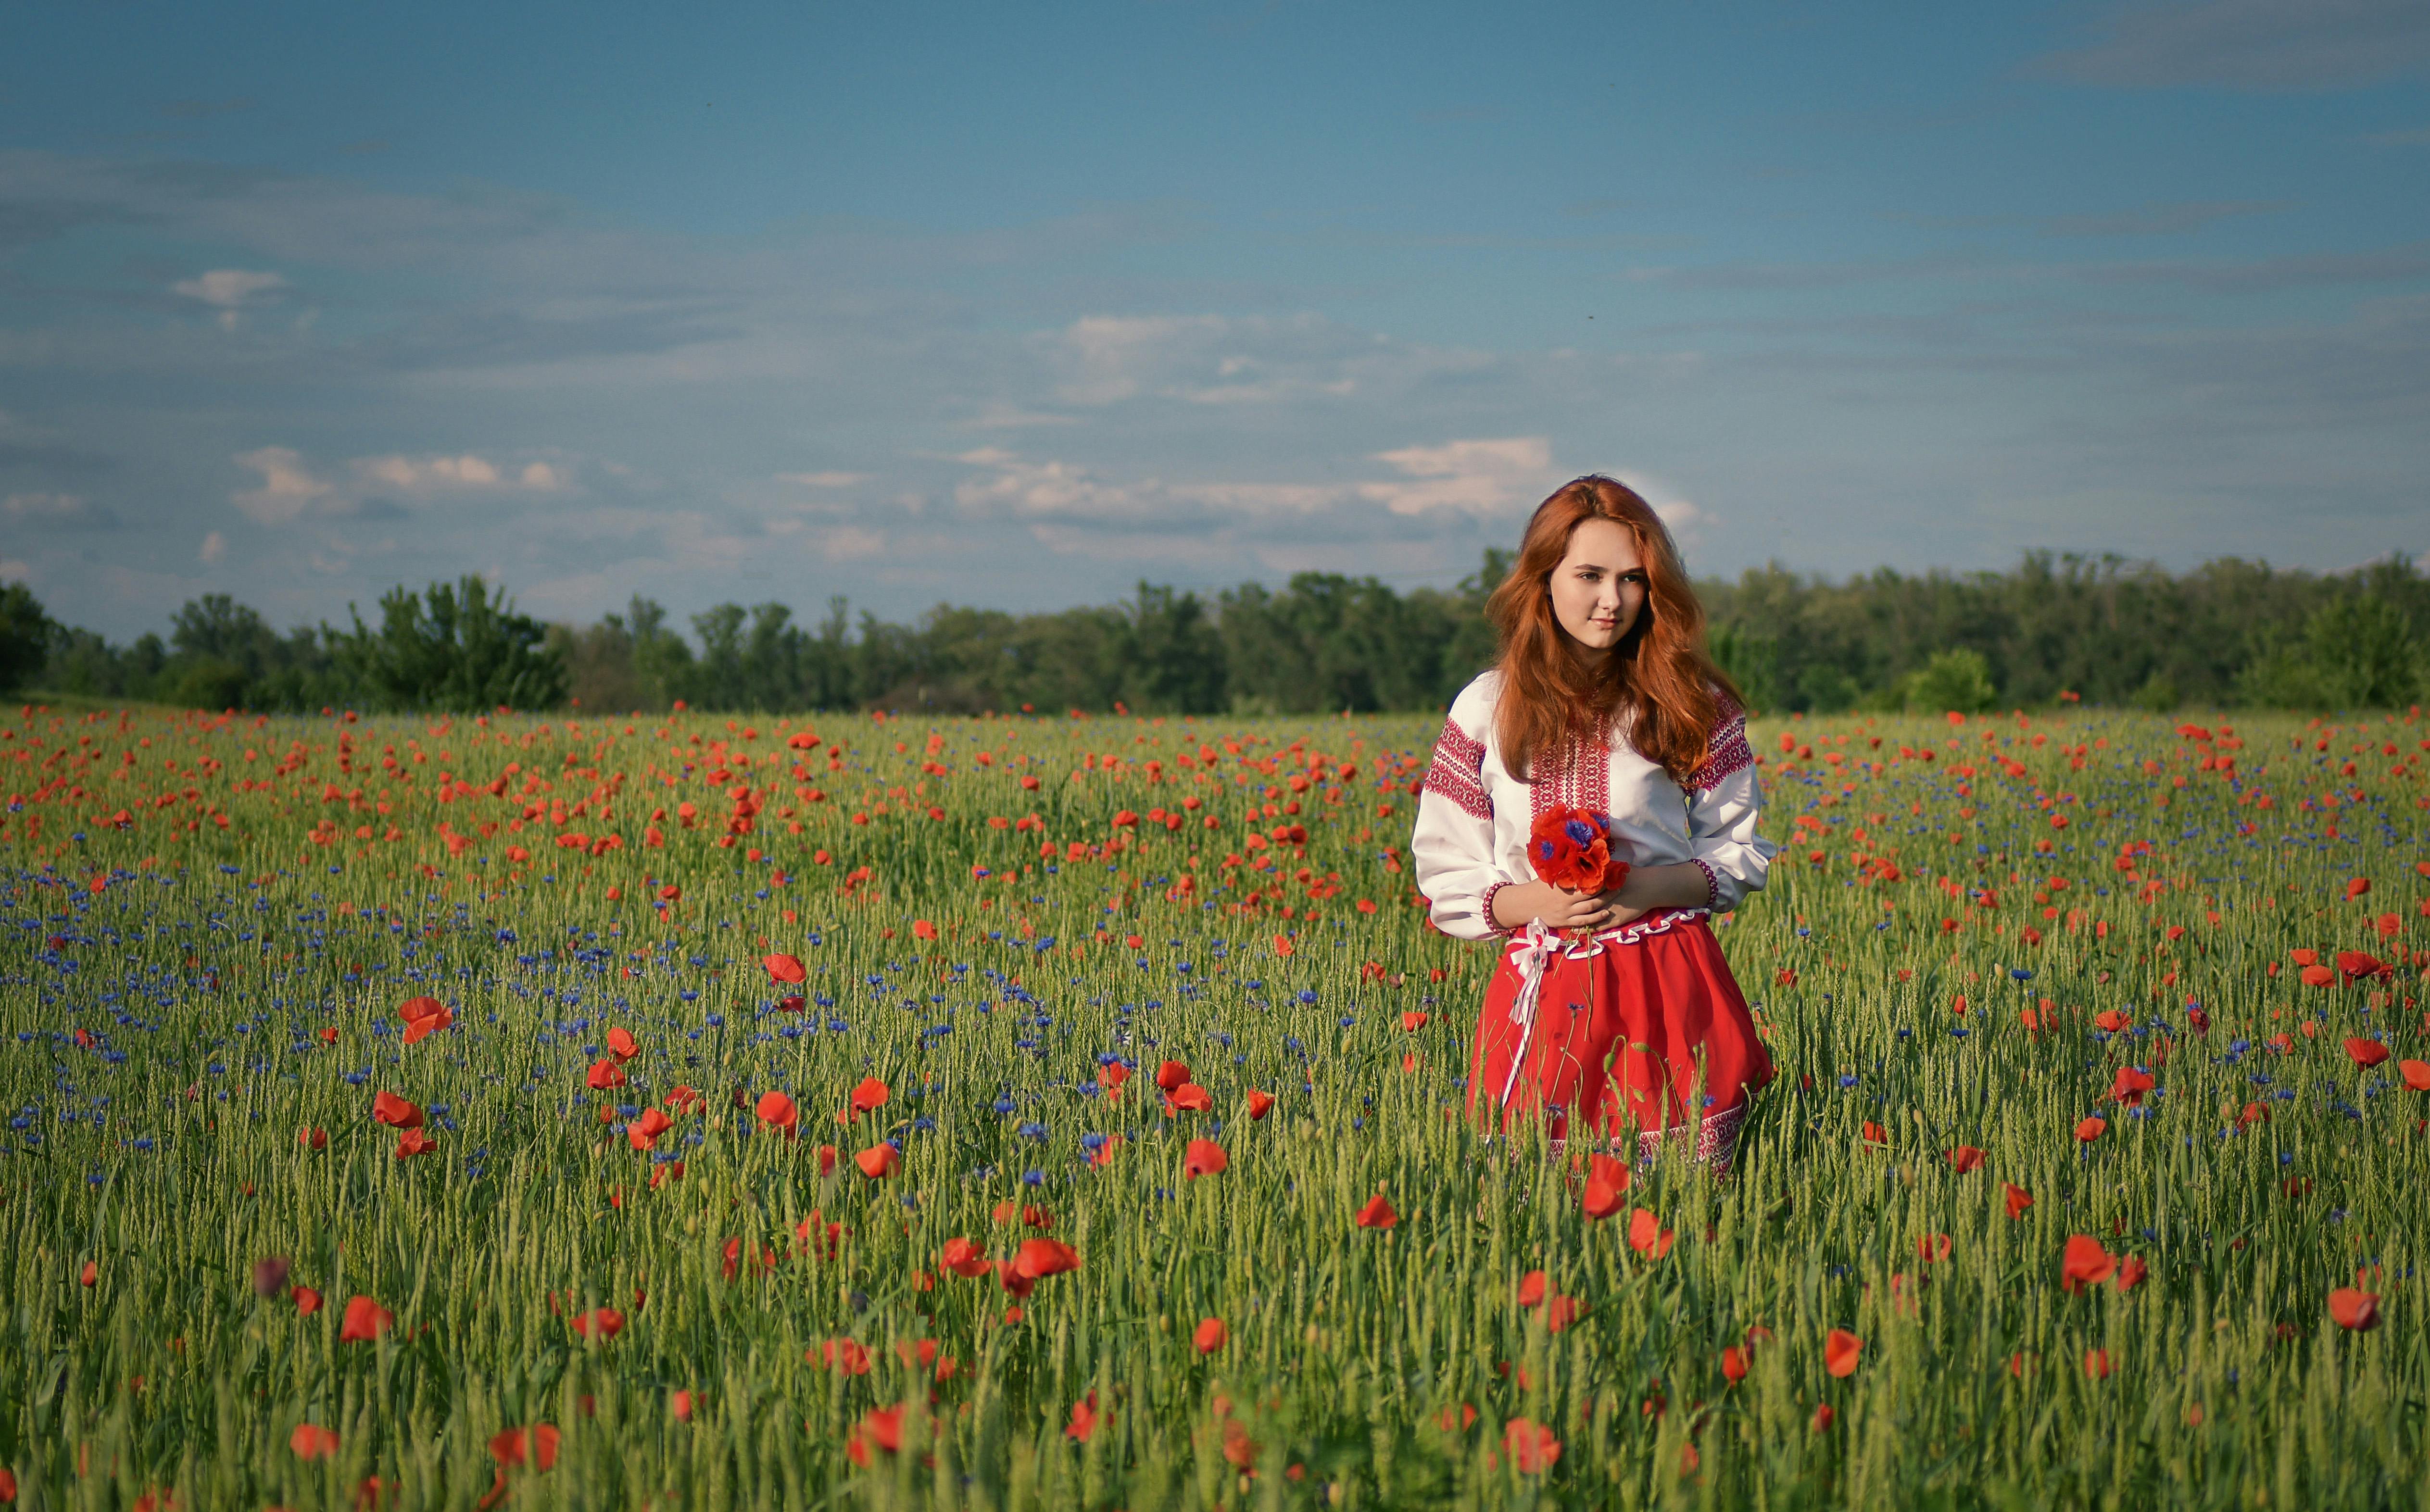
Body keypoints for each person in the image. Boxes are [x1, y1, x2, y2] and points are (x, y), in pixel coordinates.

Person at [1411, 475, 1775, 1171]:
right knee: (1531, 1215)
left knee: (1686, 1213)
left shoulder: (1688, 703)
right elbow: (1448, 871)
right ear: (1542, 577)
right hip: (1542, 989)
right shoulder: (1487, 707)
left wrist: (1640, 889)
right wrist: (1539, 904)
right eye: (1588, 575)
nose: (1611, 600)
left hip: (1670, 984)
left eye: (1632, 579)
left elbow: (1736, 855)